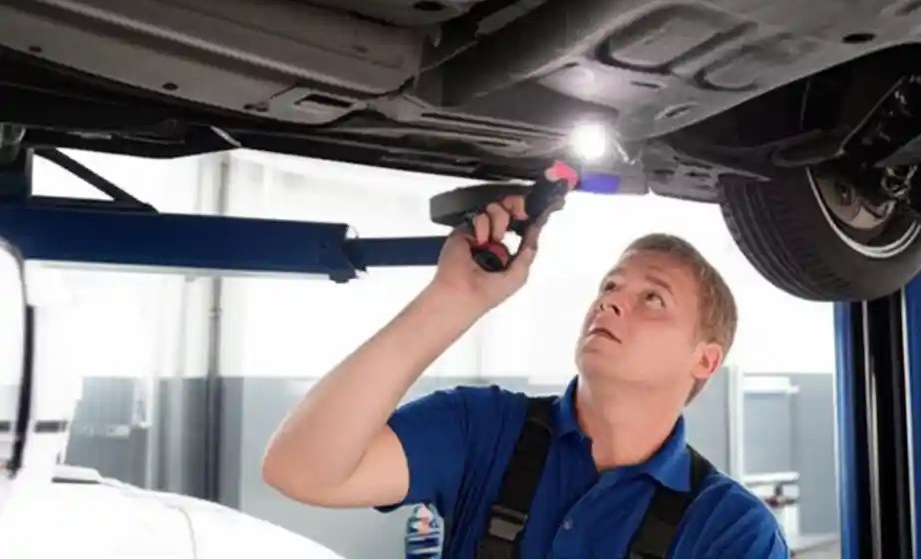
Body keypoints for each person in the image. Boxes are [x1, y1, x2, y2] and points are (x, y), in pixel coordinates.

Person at [261, 193, 788, 558]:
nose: (610, 302)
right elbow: (301, 469)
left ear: (705, 360)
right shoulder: (484, 429)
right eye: (610, 286)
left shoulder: (731, 531)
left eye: (651, 297)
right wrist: (451, 300)